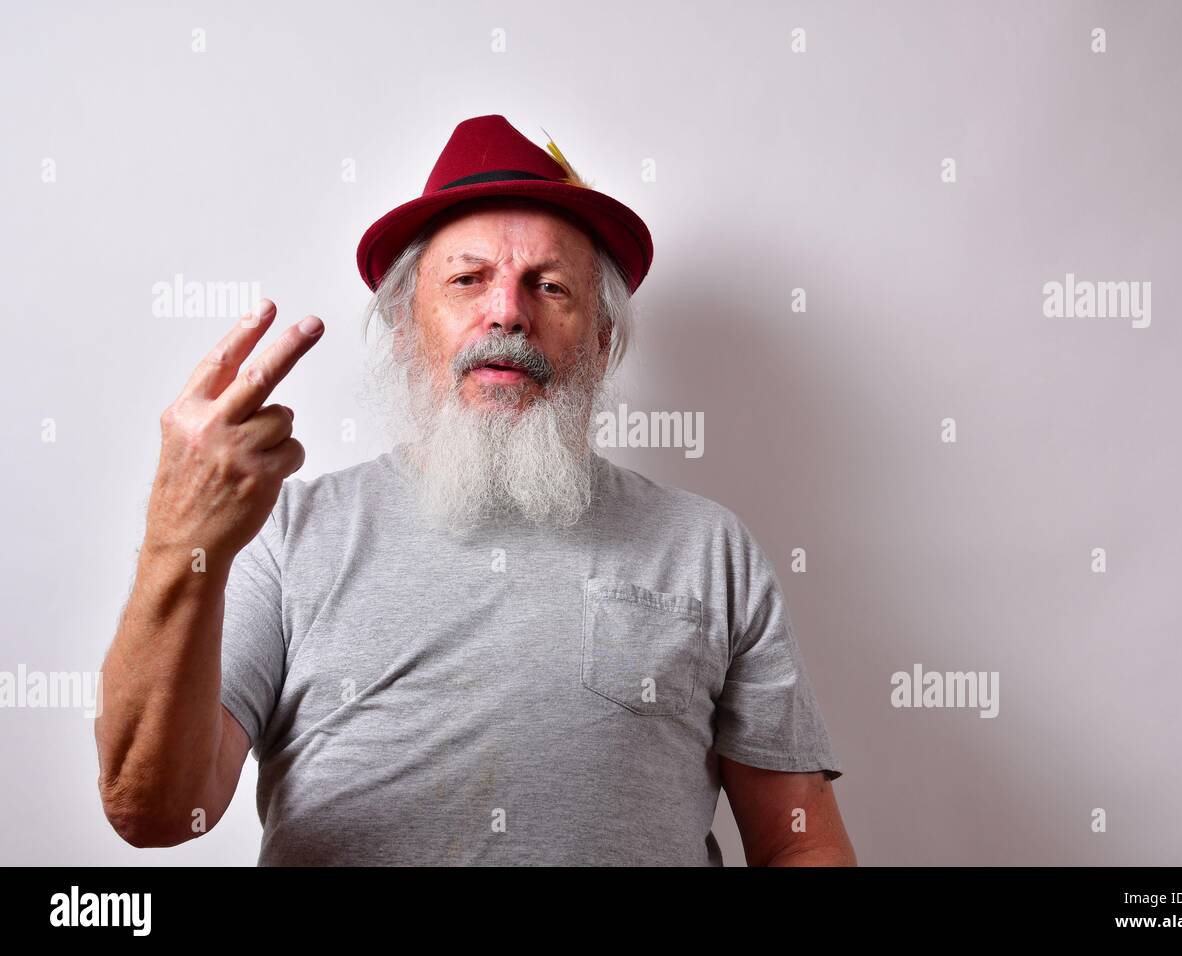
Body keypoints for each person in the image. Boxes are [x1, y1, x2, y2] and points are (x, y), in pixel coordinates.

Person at [95, 114, 854, 866]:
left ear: (599, 340)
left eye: (550, 287)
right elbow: (154, 811)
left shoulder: (705, 548)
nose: (507, 313)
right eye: (467, 279)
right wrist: (178, 535)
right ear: (402, 323)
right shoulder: (286, 532)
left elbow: (801, 845)